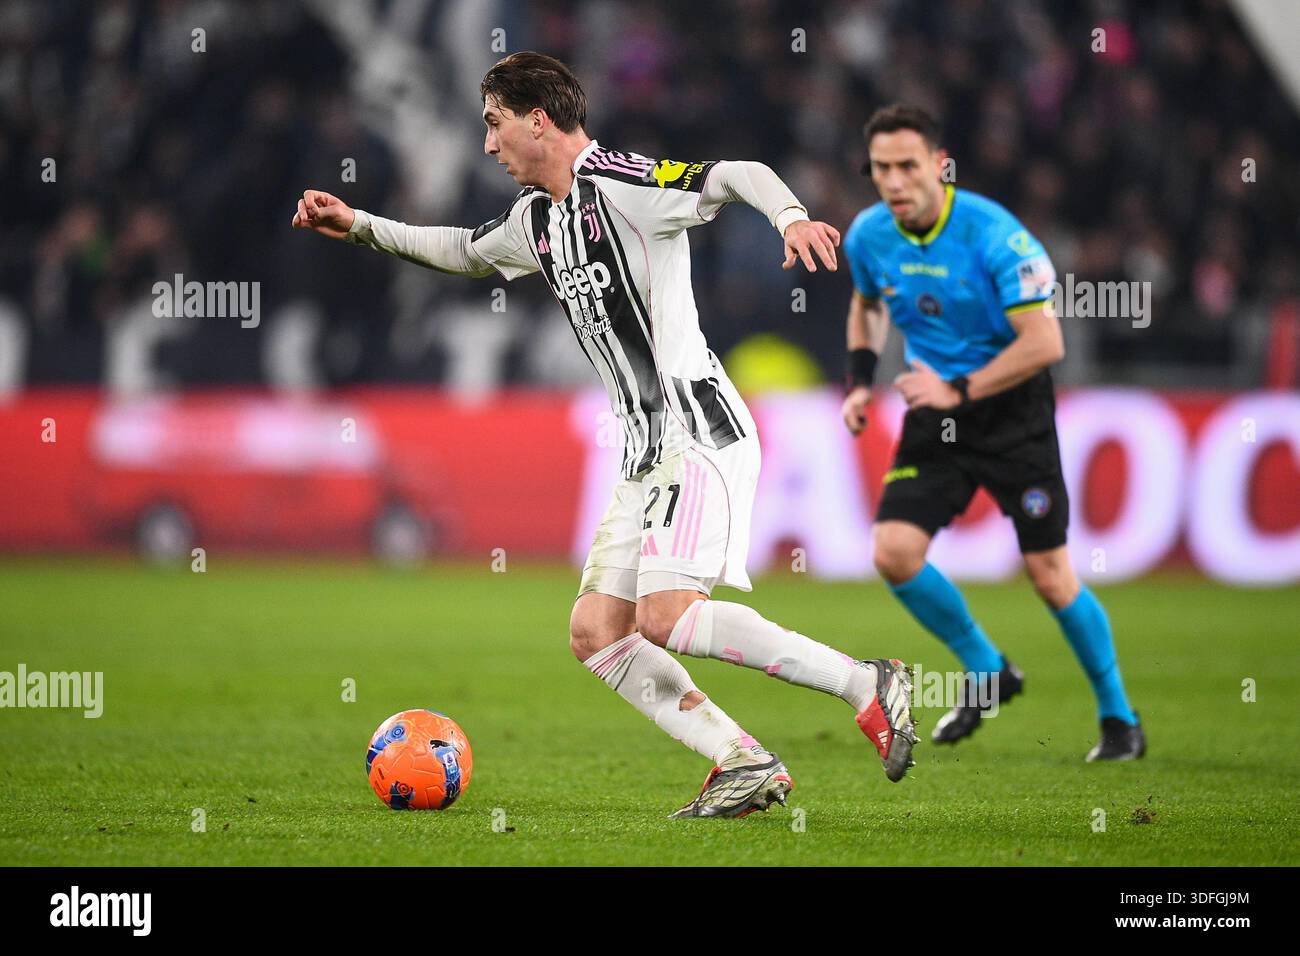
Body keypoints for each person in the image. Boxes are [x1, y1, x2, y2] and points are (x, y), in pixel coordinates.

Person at [293, 52, 918, 817]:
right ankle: (742, 760)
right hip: (644, 450)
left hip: (698, 431)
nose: (488, 146)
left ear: (538, 120)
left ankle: (866, 682)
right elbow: (463, 251)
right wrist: (356, 225)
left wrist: (789, 215)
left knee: (667, 617)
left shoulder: (623, 183)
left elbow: (735, 172)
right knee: (597, 631)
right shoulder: (537, 219)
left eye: (494, 125)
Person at [840, 104, 1145, 762]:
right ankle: (988, 669)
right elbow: (866, 305)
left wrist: (962, 389)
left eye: (908, 166)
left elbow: (1046, 341)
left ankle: (1120, 718)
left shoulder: (995, 236)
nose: (894, 181)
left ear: (939, 166)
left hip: (1011, 411)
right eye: (881, 169)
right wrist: (860, 381)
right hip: (935, 410)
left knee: (1050, 574)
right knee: (893, 552)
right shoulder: (868, 235)